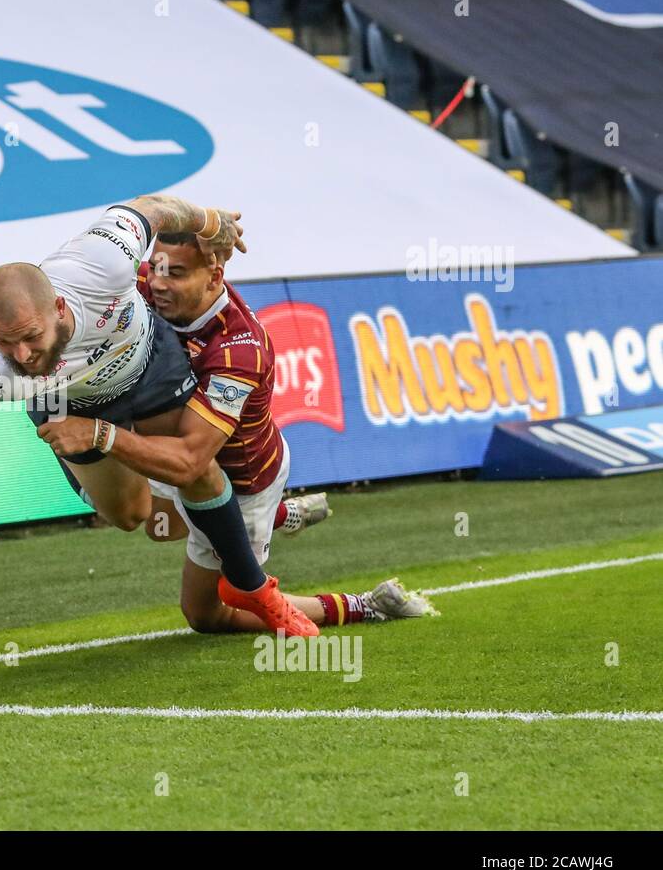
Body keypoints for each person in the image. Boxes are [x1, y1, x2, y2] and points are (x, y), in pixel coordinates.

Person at [0, 194, 318, 635]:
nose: (20, 355)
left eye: (29, 337)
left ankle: (253, 587)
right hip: (68, 403)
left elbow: (152, 208)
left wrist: (211, 220)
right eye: (4, 342)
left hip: (148, 365)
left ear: (59, 307)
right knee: (135, 516)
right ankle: (263, 518)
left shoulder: (100, 262)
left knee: (195, 469)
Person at [37, 232, 438, 631]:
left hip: (238, 480)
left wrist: (97, 433)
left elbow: (192, 462)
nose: (157, 282)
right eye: (156, 267)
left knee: (207, 615)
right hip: (172, 453)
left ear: (215, 276)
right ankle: (287, 514)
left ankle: (363, 604)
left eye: (175, 273)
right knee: (160, 525)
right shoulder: (147, 286)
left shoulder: (238, 349)